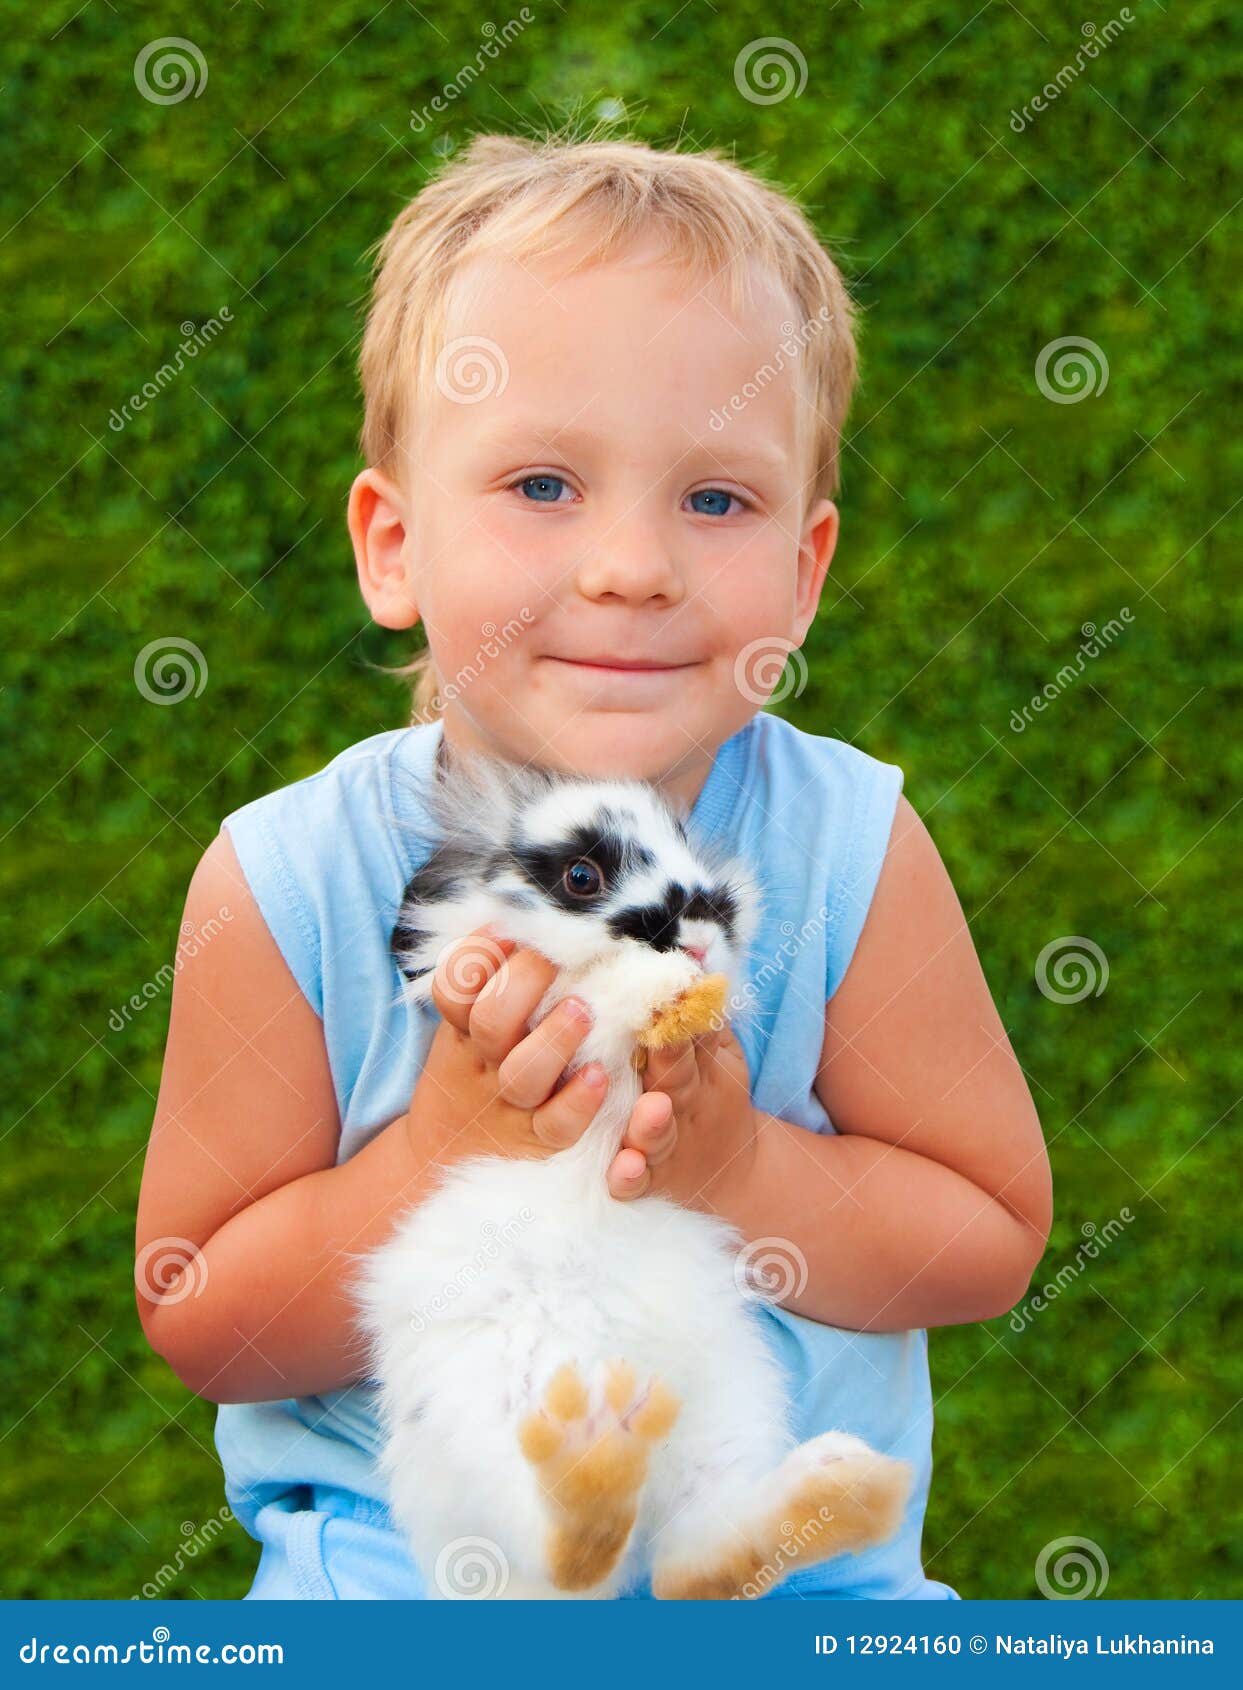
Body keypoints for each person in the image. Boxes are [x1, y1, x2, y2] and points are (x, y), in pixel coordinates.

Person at [136, 131, 1052, 1600]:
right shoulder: (286, 873)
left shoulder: (848, 844)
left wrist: (741, 1164)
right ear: (392, 546)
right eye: (545, 483)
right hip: (398, 1587)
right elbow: (199, 1313)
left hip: (798, 1591)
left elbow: (992, 1234)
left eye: (714, 501)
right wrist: (442, 1154)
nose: (632, 564)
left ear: (805, 572)